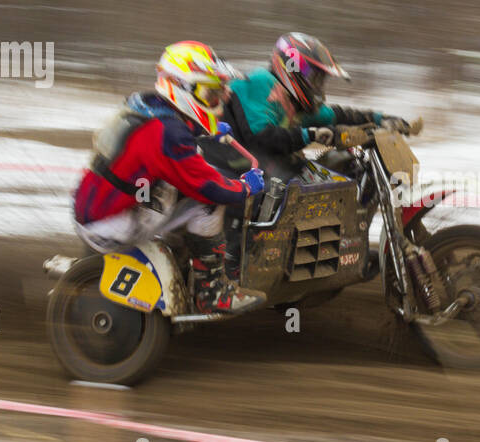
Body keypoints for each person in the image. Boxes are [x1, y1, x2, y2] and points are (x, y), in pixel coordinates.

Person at [73, 40, 267, 315]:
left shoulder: (146, 107)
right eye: (211, 92)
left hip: (96, 210)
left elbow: (164, 145)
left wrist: (203, 129)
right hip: (113, 224)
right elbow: (208, 186)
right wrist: (246, 187)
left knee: (185, 188)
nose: (218, 99)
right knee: (208, 202)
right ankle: (211, 293)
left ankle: (179, 251)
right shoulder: (168, 133)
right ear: (183, 87)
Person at [222, 32, 411, 176]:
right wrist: (311, 135)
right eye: (314, 79)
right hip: (229, 164)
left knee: (334, 168)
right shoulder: (262, 82)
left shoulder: (293, 102)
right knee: (304, 179)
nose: (317, 86)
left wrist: (379, 119)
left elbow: (335, 115)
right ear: (292, 68)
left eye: (320, 81)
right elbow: (262, 137)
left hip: (255, 164)